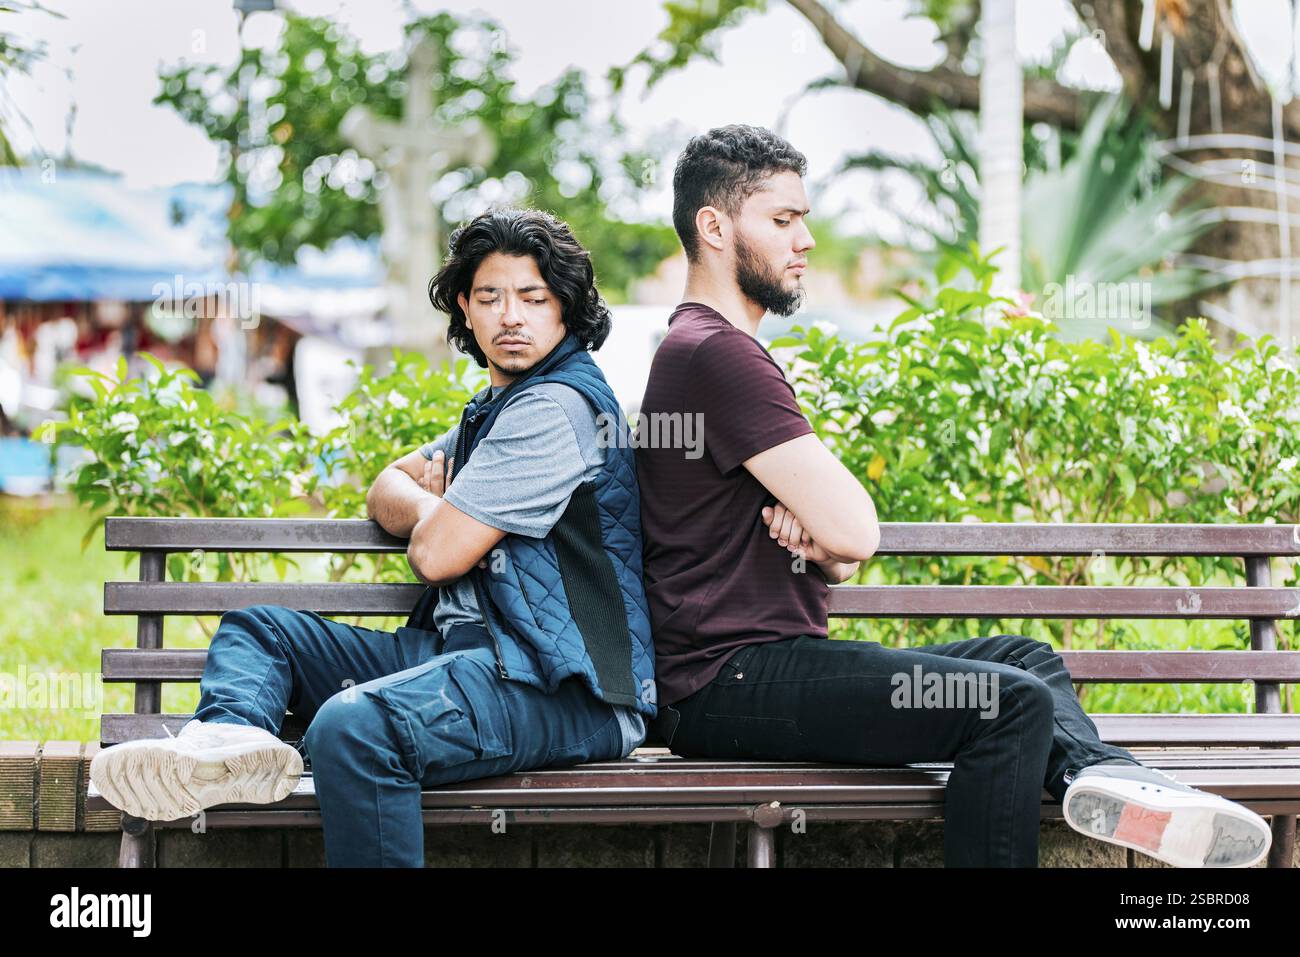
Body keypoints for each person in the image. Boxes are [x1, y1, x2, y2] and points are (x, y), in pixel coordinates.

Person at [633, 123, 1273, 868]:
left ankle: (1108, 780)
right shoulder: (718, 355)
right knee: (1005, 704)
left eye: (803, 218)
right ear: (713, 226)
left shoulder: (707, 349)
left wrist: (827, 538)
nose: (804, 240)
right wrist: (830, 532)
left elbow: (836, 549)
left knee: (1025, 659)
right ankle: (1111, 780)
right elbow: (855, 532)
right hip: (730, 681)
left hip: (761, 667)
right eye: (782, 220)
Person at [90, 207, 657, 867]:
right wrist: (435, 505)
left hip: (564, 687)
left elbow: (436, 554)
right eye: (489, 296)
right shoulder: (498, 408)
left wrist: (444, 517)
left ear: (567, 309)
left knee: (354, 728)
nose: (510, 315)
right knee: (260, 630)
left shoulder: (555, 409)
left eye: (533, 297)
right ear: (465, 312)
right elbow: (387, 486)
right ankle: (228, 744)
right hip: (474, 656)